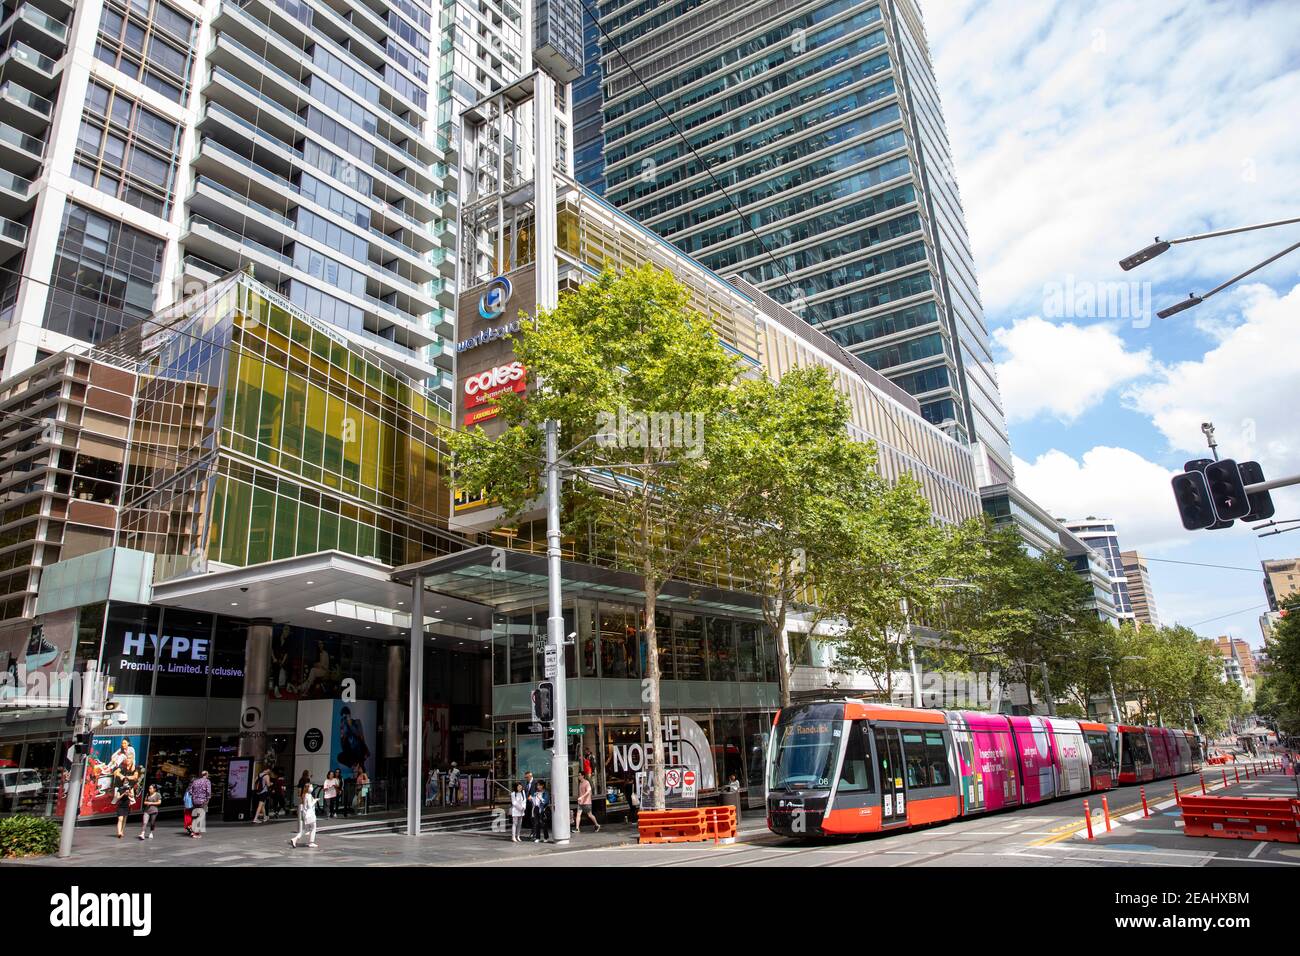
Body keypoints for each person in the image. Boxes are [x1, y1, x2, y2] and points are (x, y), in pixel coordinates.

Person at [112, 759, 140, 839]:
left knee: (124, 819)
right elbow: (116, 772)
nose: (127, 762)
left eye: (129, 760)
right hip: (121, 803)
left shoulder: (135, 768)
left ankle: (122, 831)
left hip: (127, 802)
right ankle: (119, 832)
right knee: (120, 818)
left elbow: (135, 776)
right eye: (126, 760)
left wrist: (130, 794)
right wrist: (121, 776)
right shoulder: (122, 767)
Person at [290, 771, 318, 849]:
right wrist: (315, 801)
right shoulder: (308, 795)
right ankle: (311, 842)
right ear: (308, 788)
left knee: (305, 829)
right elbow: (309, 805)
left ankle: (295, 839)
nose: (312, 788)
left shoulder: (305, 795)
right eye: (311, 786)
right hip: (310, 814)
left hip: (306, 815)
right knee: (313, 828)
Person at [187, 770, 212, 839]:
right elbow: (208, 792)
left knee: (195, 815)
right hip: (203, 801)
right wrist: (208, 799)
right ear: (206, 774)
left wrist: (195, 796)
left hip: (195, 801)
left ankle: (192, 829)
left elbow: (190, 791)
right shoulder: (207, 781)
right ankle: (195, 833)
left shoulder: (195, 781)